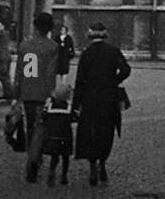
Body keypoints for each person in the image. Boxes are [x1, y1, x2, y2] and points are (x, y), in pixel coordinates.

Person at [72, 21, 131, 187]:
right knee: (106, 132)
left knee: (91, 133)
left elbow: (80, 81)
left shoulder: (86, 54)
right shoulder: (113, 51)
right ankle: (102, 164)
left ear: (90, 36)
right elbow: (126, 69)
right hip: (108, 99)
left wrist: (76, 106)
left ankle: (92, 168)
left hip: (90, 100)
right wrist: (114, 80)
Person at [14, 11, 59, 183]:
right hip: (42, 93)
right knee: (41, 129)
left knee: (30, 128)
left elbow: (20, 73)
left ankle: (32, 157)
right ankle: (33, 161)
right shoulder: (52, 47)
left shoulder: (24, 46)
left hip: (27, 92)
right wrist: (51, 94)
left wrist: (16, 94)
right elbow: (50, 73)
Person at [37, 84, 74, 186]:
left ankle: (51, 171)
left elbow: (43, 118)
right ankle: (64, 176)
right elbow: (74, 117)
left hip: (53, 136)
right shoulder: (69, 107)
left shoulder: (50, 107)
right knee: (65, 158)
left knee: (55, 157)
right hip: (65, 136)